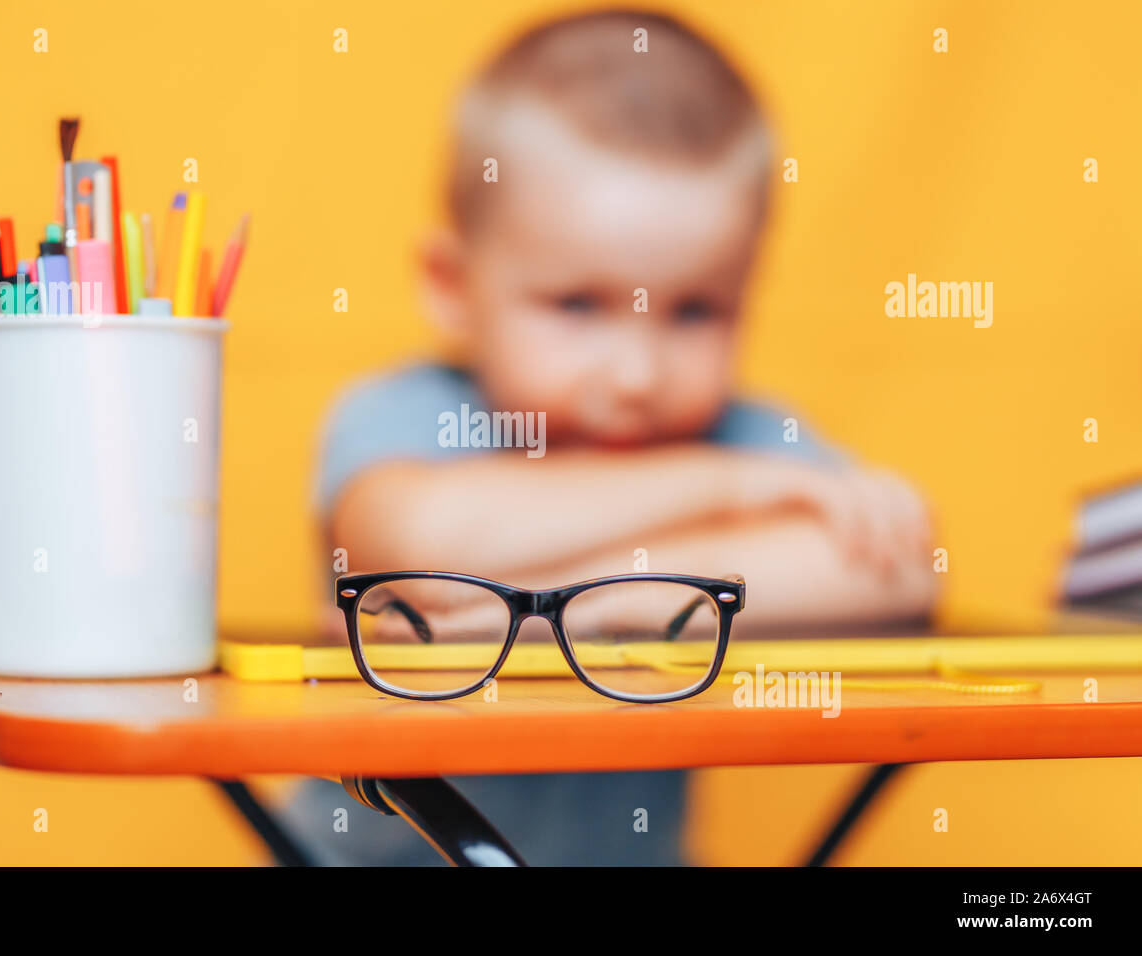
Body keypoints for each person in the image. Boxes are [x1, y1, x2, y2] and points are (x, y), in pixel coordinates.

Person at [281, 9, 936, 866]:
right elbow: (417, 541)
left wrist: (555, 610)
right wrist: (724, 493)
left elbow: (900, 568)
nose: (635, 374)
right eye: (578, 305)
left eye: (696, 310)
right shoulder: (408, 413)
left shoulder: (733, 432)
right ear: (451, 285)